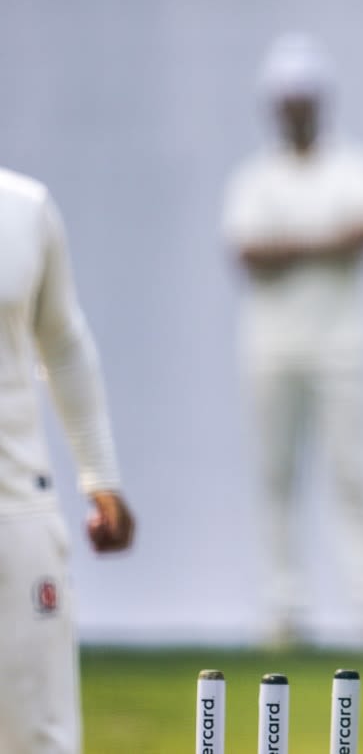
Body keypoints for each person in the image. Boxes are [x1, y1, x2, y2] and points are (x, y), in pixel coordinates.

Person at [222, 33, 363, 647]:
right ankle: (283, 611)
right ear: (275, 106)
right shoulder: (254, 177)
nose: (295, 108)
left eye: (303, 98)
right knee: (276, 475)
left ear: (319, 102)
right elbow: (246, 254)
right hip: (271, 349)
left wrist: (287, 245)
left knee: (354, 474)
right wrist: (326, 241)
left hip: (341, 347)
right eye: (286, 99)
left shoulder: (355, 164)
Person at [0, 165, 136, 753]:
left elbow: (63, 343)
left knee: (39, 735)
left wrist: (100, 476)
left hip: (14, 508)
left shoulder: (24, 208)